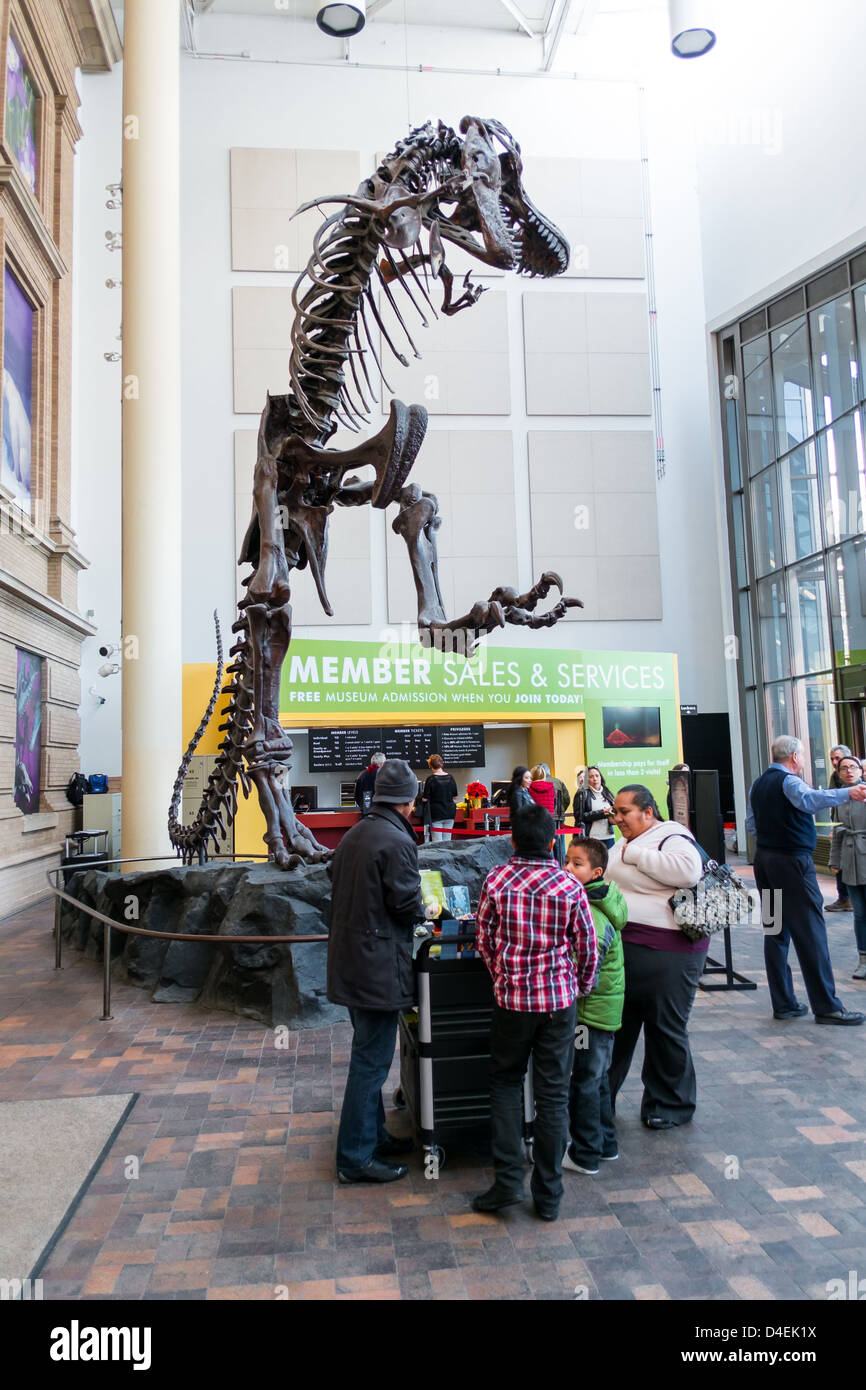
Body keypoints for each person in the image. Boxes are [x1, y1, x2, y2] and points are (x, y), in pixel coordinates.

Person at [471, 803, 598, 1222]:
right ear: (552, 841)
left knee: (505, 1084)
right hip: (558, 1005)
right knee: (553, 1096)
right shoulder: (568, 884)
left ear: (511, 839)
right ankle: (548, 1196)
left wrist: (500, 976)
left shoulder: (497, 880)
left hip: (512, 1002)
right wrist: (578, 987)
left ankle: (507, 1182)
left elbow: (483, 938)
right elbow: (587, 948)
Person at [327, 758, 438, 1183]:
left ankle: (372, 1135)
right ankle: (354, 1158)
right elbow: (405, 903)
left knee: (366, 1054)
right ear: (410, 801)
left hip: (350, 961)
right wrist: (427, 910)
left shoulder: (355, 833)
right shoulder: (396, 841)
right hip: (376, 965)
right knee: (370, 1063)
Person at [746, 734, 866, 1025]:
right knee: (811, 930)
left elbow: (751, 824)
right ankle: (827, 1007)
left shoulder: (757, 784)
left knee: (775, 930)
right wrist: (847, 793)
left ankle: (784, 1004)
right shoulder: (789, 781)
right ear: (795, 758)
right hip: (792, 865)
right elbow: (811, 800)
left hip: (765, 862)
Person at [606, 784, 705, 1128]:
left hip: (670, 953)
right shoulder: (623, 841)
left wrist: (634, 856)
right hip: (626, 950)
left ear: (648, 812)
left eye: (624, 812)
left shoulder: (672, 834)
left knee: (665, 1028)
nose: (617, 818)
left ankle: (670, 1104)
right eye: (615, 812)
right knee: (616, 1028)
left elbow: (689, 872)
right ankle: (600, 1102)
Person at [563, 837, 627, 1174]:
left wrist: (569, 993)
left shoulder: (591, 912)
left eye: (577, 864)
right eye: (567, 861)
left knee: (585, 1081)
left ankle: (585, 1153)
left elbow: (587, 963)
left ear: (596, 871)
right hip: (603, 1012)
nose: (568, 868)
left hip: (591, 1013)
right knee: (598, 1079)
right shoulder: (600, 900)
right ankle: (606, 1145)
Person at [828, 755, 866, 979]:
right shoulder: (840, 798)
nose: (849, 771)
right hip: (850, 859)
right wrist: (834, 861)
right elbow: (838, 832)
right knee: (859, 913)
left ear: (861, 771)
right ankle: (863, 959)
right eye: (844, 768)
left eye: (853, 767)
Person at [827, 744, 854, 912]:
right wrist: (834, 827)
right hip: (840, 825)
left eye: (837, 758)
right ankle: (844, 898)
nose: (834, 762)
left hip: (855, 827)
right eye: (832, 759)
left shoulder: (856, 776)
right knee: (838, 862)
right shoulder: (835, 777)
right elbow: (832, 801)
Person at [573, 766, 616, 849]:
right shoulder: (582, 793)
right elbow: (579, 817)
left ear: (601, 777)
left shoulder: (606, 791)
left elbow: (613, 808)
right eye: (591, 777)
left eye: (597, 776)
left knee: (611, 861)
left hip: (608, 836)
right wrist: (602, 813)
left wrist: (613, 814)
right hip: (592, 837)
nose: (595, 779)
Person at [421, 753, 458, 841]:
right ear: (441, 763)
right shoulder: (450, 778)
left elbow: (425, 799)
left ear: (430, 765)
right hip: (450, 813)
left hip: (436, 814)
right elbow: (454, 797)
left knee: (437, 843)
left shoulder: (430, 779)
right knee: (447, 841)